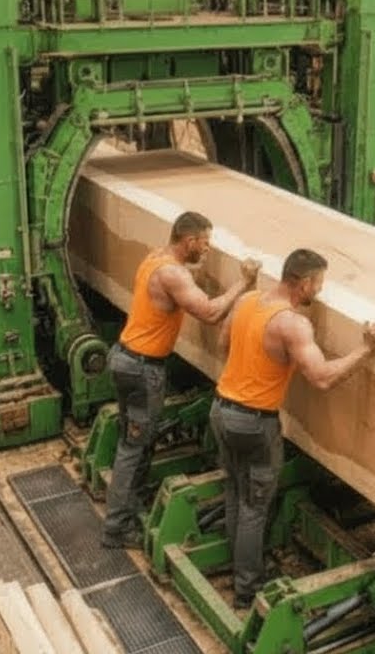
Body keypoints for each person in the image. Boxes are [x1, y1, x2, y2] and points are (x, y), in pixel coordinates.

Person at [210, 248, 375, 609]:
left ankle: (237, 565)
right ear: (303, 282)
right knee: (254, 506)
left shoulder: (247, 300)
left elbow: (223, 343)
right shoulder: (292, 323)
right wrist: (367, 350)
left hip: (221, 410)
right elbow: (322, 378)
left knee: (235, 492)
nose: (319, 292)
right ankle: (247, 589)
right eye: (318, 284)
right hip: (254, 424)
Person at [101, 211, 261, 549]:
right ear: (188, 241)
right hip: (143, 370)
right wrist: (243, 283)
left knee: (134, 441)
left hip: (125, 358)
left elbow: (187, 281)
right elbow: (211, 313)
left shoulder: (156, 258)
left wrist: (203, 271)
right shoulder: (173, 275)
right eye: (204, 244)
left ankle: (128, 507)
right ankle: (116, 529)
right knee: (134, 446)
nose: (207, 250)